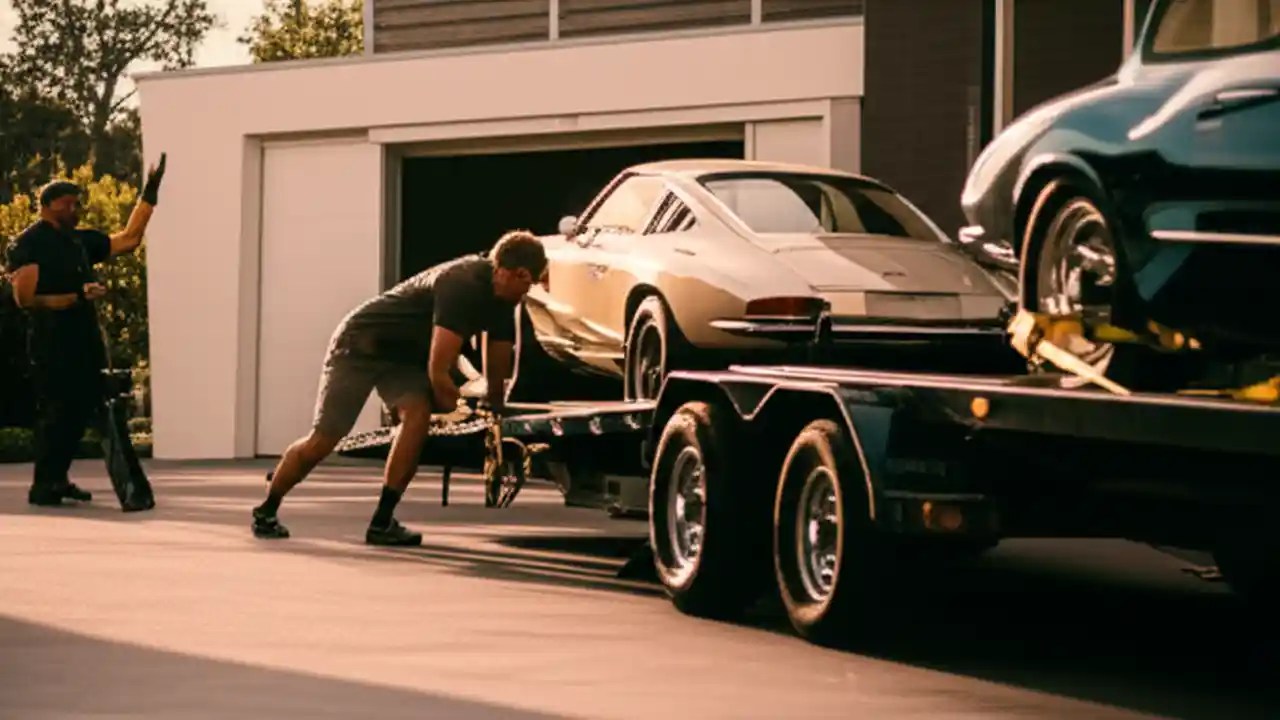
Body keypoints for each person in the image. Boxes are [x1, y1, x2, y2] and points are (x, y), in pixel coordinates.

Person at [251, 230, 548, 546]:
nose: (527, 293)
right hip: (360, 345)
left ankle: (382, 522)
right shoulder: (462, 283)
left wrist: (495, 408)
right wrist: (456, 406)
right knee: (325, 438)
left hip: (401, 359)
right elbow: (438, 371)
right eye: (528, 284)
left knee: (417, 418)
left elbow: (498, 363)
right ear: (515, 273)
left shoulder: (505, 298)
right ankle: (266, 510)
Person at [4, 155, 167, 506]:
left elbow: (128, 239)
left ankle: (57, 481)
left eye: (77, 204)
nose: (75, 209)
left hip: (84, 340)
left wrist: (149, 194)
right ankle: (44, 485)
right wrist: (77, 294)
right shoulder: (29, 243)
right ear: (48, 206)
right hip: (50, 343)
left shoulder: (78, 241)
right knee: (56, 412)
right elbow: (26, 298)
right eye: (68, 204)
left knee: (78, 414)